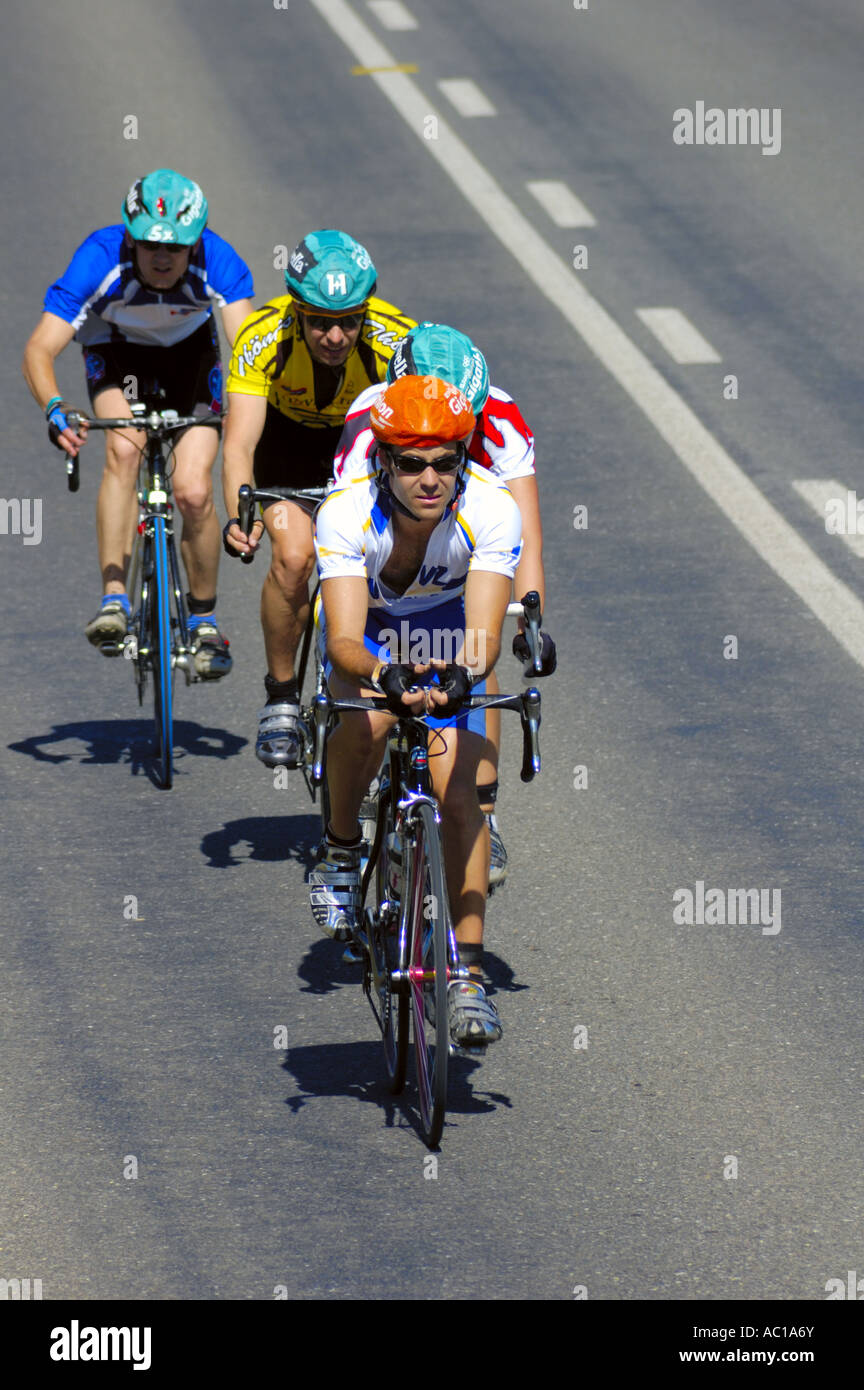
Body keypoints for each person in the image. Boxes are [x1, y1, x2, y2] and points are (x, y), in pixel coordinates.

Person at [308, 375, 524, 1047]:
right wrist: (385, 673)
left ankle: (466, 977)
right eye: (411, 463)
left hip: (449, 632)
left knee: (459, 793)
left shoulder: (491, 509)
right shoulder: (343, 513)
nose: (429, 478)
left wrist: (460, 674)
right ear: (383, 462)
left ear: (462, 460)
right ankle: (343, 852)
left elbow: (484, 634)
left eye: (444, 462)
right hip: (368, 636)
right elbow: (344, 639)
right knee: (367, 722)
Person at [331, 322, 556, 888]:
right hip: (383, 563)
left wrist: (531, 616)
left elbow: (524, 534)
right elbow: (348, 525)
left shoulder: (500, 420)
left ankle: (483, 809)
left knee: (479, 649)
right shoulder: (370, 424)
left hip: (465, 543)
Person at [22, 169, 254, 675]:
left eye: (177, 247)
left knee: (193, 492)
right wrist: (56, 407)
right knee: (124, 449)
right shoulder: (99, 258)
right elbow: (40, 348)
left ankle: (203, 620)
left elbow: (248, 350)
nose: (163, 258)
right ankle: (113, 600)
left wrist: (250, 413)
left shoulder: (219, 259)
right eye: (150, 245)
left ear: (197, 244)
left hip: (189, 359)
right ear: (130, 236)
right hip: (117, 353)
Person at [221, 230, 416, 764]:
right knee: (294, 557)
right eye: (320, 322)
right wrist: (242, 511)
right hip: (286, 451)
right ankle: (281, 699)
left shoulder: (398, 340)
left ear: (366, 312)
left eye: (349, 320)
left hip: (363, 449)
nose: (335, 335)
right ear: (298, 312)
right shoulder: (264, 335)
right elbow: (239, 442)